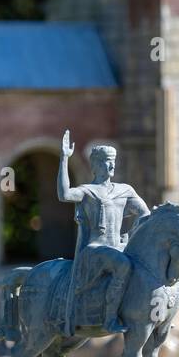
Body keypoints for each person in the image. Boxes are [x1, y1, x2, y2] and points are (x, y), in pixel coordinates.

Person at [57, 130, 148, 335]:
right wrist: (64, 159)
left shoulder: (125, 190)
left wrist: (130, 235)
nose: (112, 165)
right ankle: (109, 319)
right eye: (107, 161)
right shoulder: (88, 191)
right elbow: (64, 194)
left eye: (113, 161)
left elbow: (145, 214)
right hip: (95, 249)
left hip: (117, 247)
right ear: (96, 165)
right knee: (123, 264)